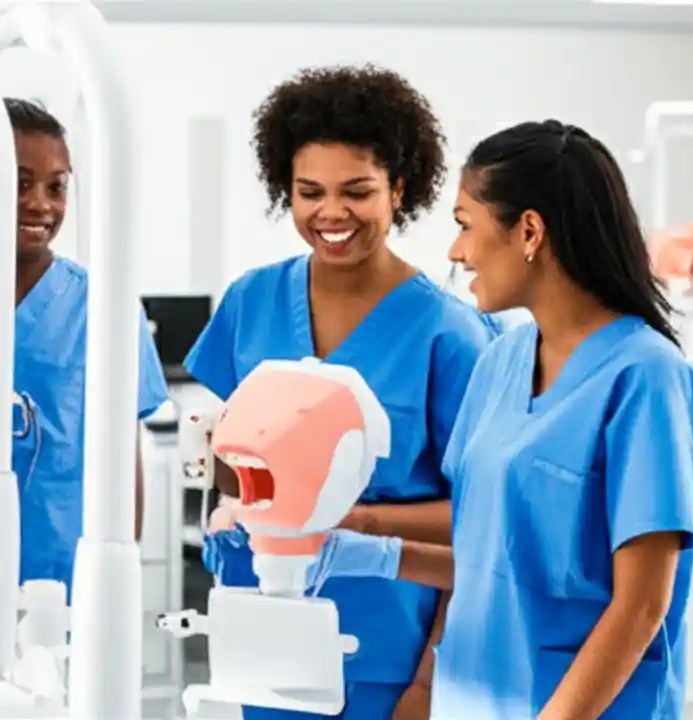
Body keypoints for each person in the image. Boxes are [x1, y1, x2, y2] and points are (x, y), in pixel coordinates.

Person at [305, 120, 693, 720]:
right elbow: (491, 565)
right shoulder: (502, 361)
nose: (455, 251)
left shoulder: (645, 378)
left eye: (465, 225)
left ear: (528, 231)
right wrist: (370, 550)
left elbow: (641, 607)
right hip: (472, 697)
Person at [189, 65, 497, 719]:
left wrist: (426, 685)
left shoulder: (451, 334)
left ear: (399, 190)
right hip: (260, 632)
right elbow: (233, 460)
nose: (331, 214)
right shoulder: (253, 300)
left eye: (356, 191)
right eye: (309, 192)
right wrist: (225, 505)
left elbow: (483, 524)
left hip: (386, 655)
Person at [0, 98, 168, 590]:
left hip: (66, 571)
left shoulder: (104, 305)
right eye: (20, 183)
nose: (41, 202)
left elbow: (126, 459)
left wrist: (117, 580)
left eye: (56, 187)